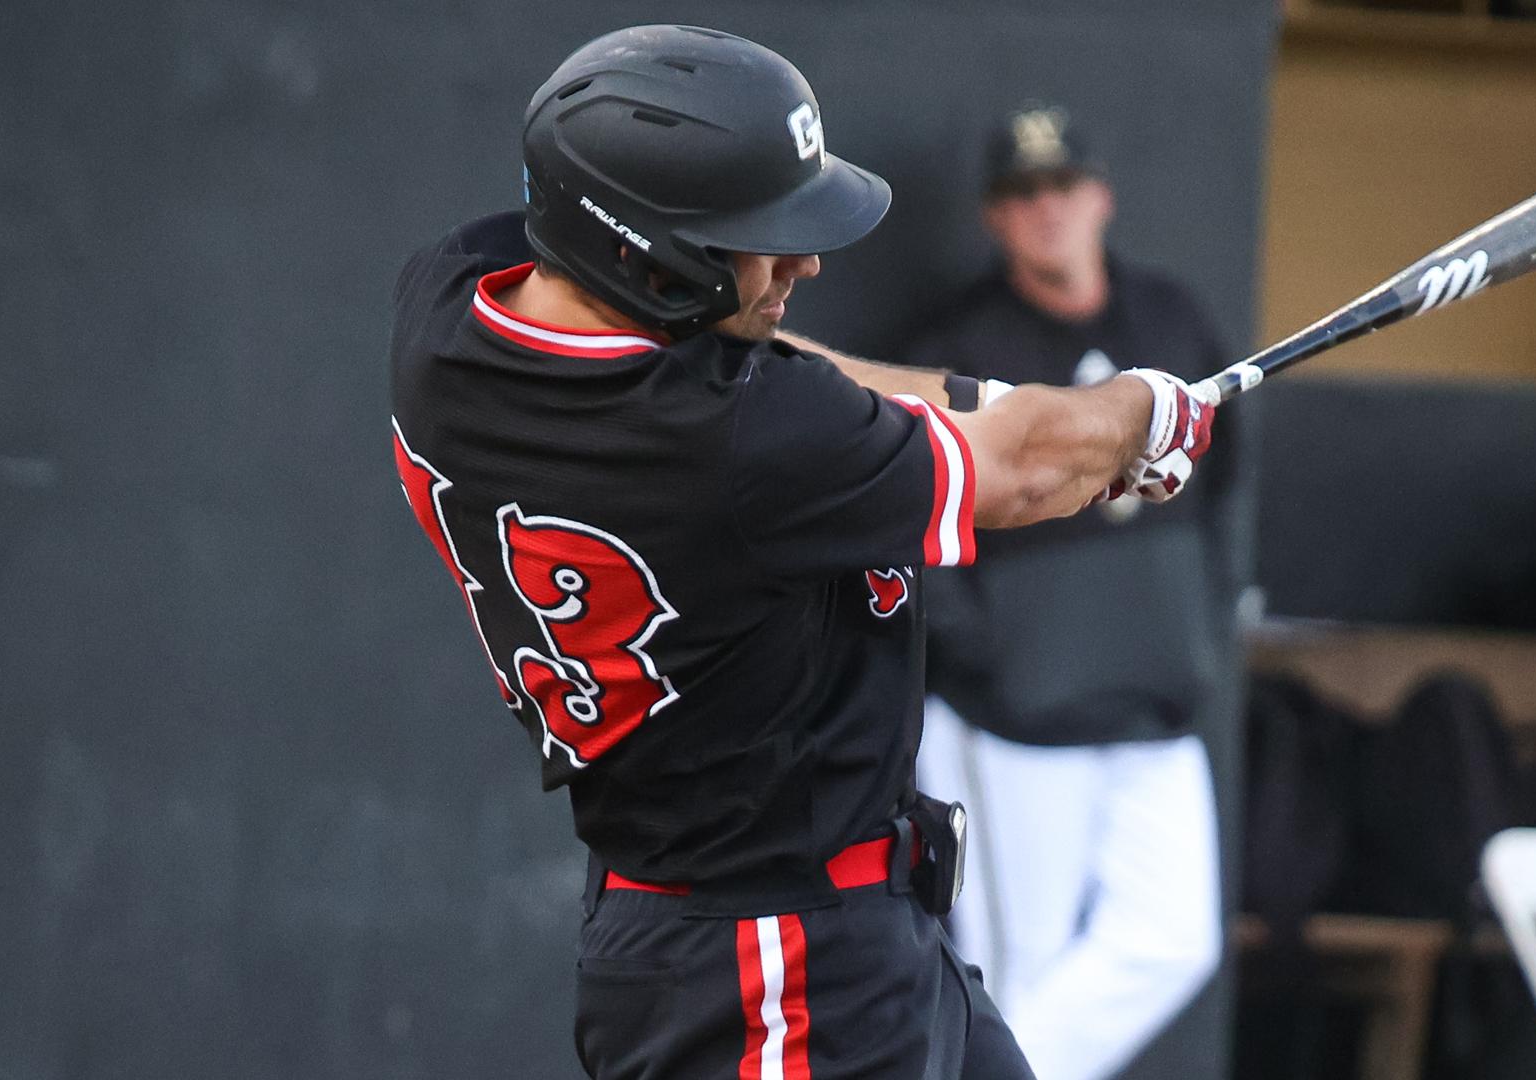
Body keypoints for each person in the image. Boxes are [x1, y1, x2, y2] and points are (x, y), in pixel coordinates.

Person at [387, 26, 1221, 1080]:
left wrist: (990, 403)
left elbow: (771, 364)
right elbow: (1027, 472)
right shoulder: (735, 449)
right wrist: (1142, 410)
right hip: (768, 966)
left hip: (807, 927)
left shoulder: (446, 317)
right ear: (646, 257)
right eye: (759, 238)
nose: (806, 261)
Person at [904, 105, 1232, 1080]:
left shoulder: (1169, 320)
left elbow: (1231, 490)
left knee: (1175, 939)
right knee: (1014, 972)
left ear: (1102, 197)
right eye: (1021, 194)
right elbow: (914, 524)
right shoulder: (953, 349)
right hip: (1010, 724)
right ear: (995, 219)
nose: (1047, 209)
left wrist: (1199, 632)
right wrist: (990, 654)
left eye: (1063, 187)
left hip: (1152, 703)